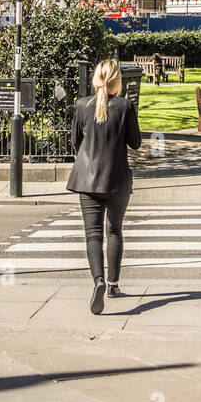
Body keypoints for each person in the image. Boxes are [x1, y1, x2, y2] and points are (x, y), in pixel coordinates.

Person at [67, 59, 141, 314]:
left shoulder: (81, 106)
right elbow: (136, 143)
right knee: (114, 231)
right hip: (117, 179)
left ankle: (97, 279)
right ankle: (113, 284)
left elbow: (75, 141)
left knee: (93, 234)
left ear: (95, 79)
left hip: (87, 180)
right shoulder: (125, 106)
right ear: (117, 81)